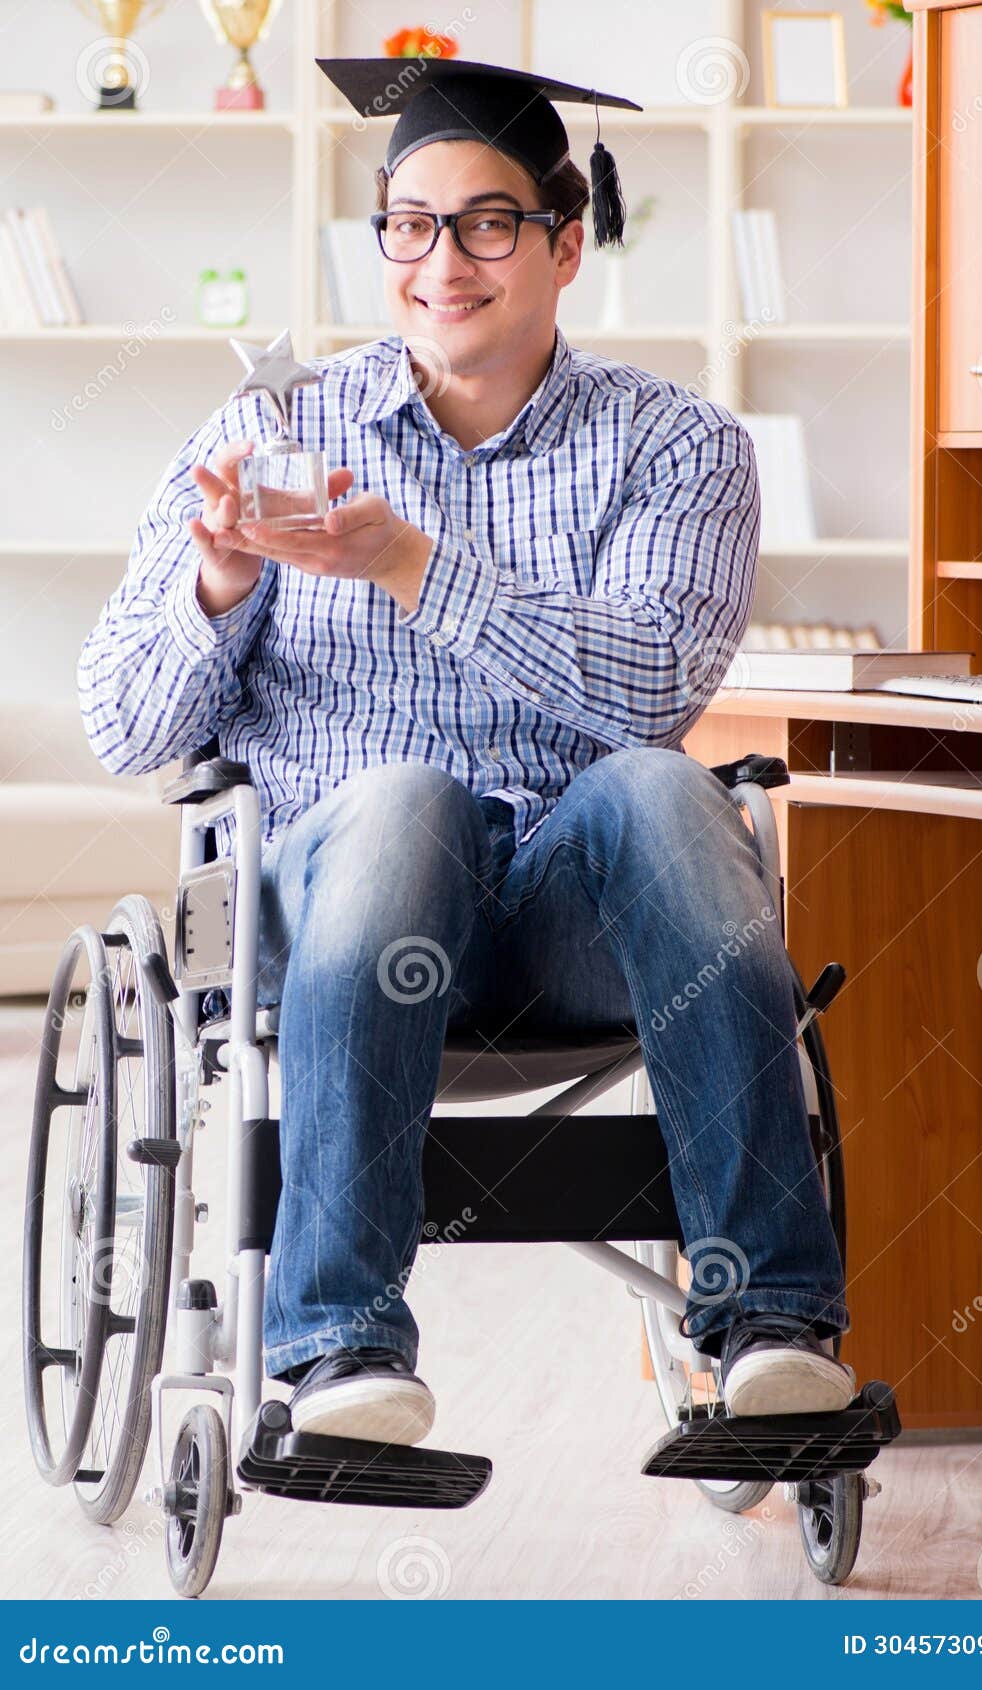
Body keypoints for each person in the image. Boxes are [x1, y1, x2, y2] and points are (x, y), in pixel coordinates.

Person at [78, 54, 852, 1448]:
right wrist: (218, 588)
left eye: (489, 223)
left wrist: (411, 562)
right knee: (404, 801)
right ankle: (339, 1351)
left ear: (566, 246)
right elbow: (125, 725)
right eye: (409, 224)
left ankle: (773, 1329)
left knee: (666, 785)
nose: (444, 262)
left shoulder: (676, 450)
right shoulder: (269, 437)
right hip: (338, 914)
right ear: (381, 239)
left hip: (566, 923)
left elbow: (656, 681)